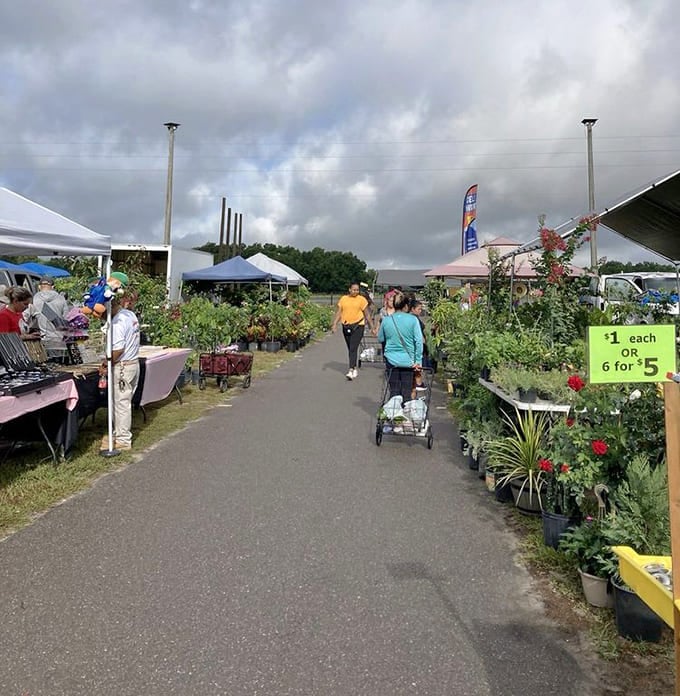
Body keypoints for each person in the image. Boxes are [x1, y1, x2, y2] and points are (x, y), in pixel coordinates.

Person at [100, 283, 140, 452]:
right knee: (123, 402)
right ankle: (119, 433)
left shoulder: (116, 324)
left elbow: (117, 349)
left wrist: (105, 364)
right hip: (133, 363)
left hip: (123, 367)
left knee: (121, 404)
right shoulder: (129, 314)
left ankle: (123, 439)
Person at [377, 291, 423, 403]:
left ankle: (394, 415)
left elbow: (381, 338)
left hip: (391, 359)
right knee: (407, 391)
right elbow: (418, 341)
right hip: (409, 360)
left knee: (394, 391)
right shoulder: (413, 320)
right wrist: (418, 360)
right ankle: (405, 413)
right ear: (406, 306)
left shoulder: (386, 320)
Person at [331, 281, 376, 380]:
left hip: (358, 326)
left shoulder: (361, 300)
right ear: (349, 289)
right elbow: (339, 312)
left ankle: (351, 370)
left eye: (357, 290)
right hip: (346, 325)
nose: (356, 291)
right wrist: (334, 324)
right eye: (354, 289)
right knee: (350, 348)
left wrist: (372, 327)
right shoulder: (344, 299)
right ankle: (354, 367)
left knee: (353, 347)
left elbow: (367, 315)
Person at [27, 276, 71, 358]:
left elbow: (25, 318)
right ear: (53, 287)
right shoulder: (61, 299)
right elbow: (66, 319)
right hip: (59, 341)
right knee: (61, 367)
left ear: (39, 286)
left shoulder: (34, 299)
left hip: (41, 341)